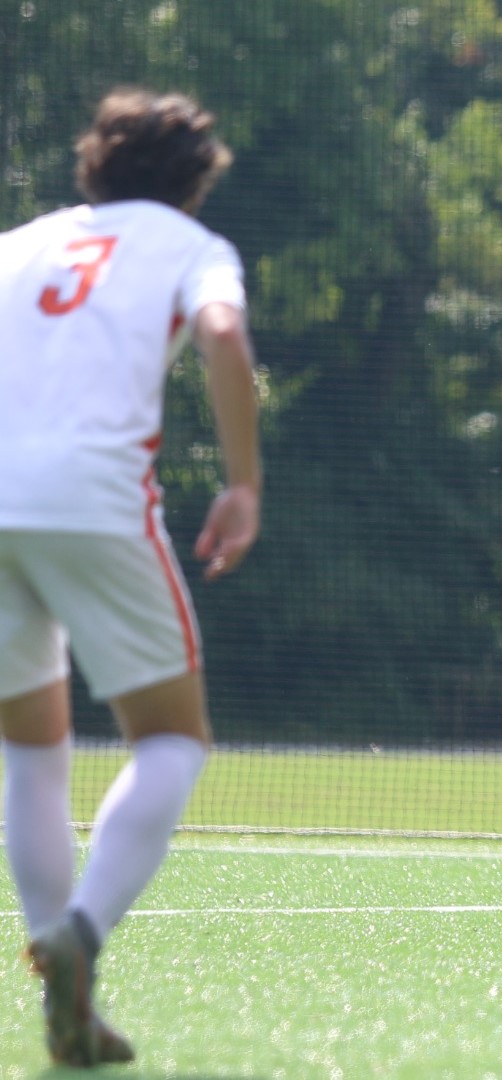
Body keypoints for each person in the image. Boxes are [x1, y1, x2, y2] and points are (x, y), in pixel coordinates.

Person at [0, 88, 260, 1067]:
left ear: (93, 166)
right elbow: (226, 336)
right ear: (193, 182)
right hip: (95, 503)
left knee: (31, 748)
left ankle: (49, 957)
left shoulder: (20, 244)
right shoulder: (191, 248)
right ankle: (83, 931)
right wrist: (243, 483)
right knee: (171, 736)